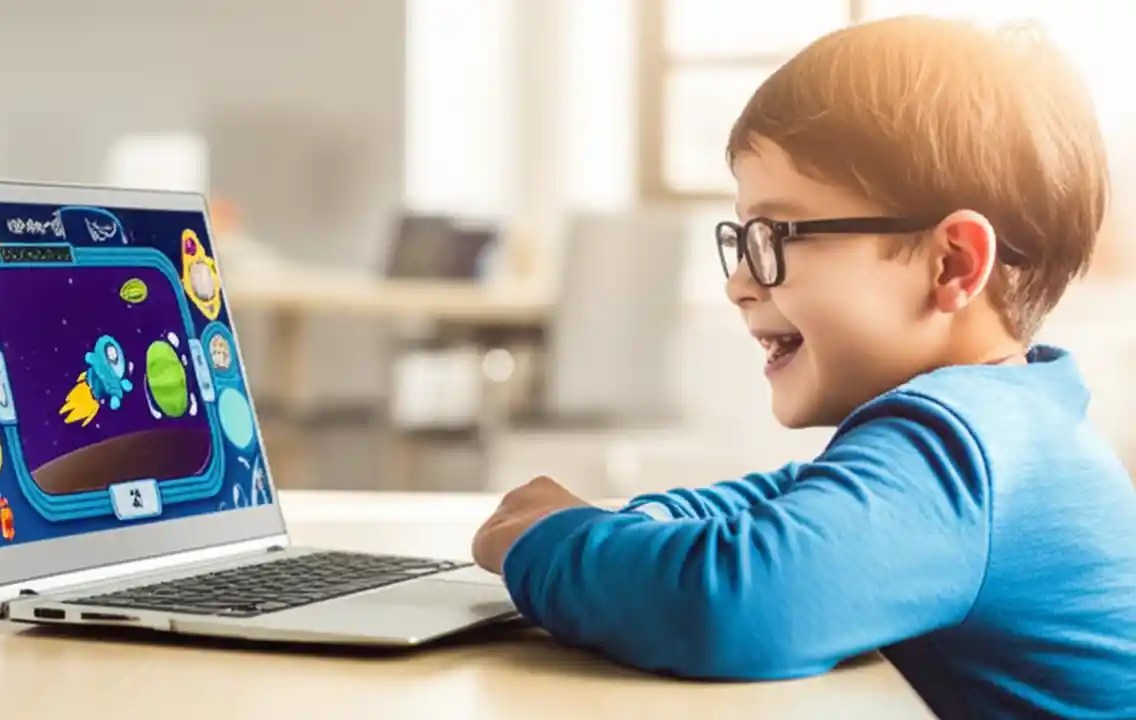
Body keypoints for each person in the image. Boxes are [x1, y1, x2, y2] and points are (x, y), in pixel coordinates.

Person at [471, 15, 1136, 719]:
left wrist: (543, 543)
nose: (740, 284)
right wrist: (639, 521)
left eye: (775, 237)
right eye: (742, 240)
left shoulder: (960, 448)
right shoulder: (1012, 422)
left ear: (953, 263)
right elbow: (773, 505)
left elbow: (738, 606)